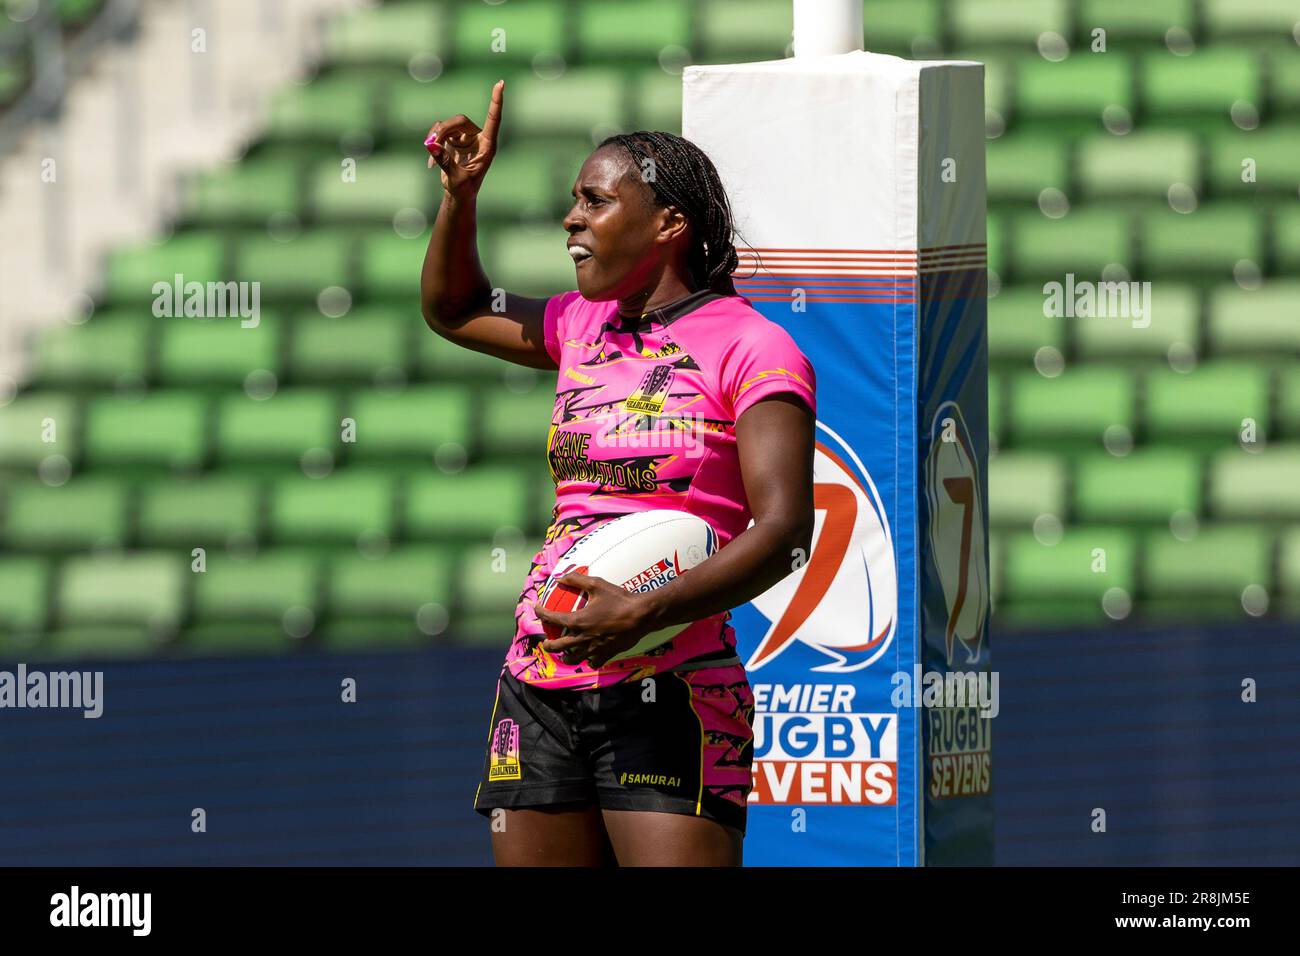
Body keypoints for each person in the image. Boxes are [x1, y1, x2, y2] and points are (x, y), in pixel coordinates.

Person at [420, 80, 817, 866]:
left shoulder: (752, 347)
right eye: (574, 201)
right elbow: (453, 308)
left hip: (673, 692)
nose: (572, 219)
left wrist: (643, 611)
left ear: (669, 223)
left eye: (595, 202)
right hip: (541, 680)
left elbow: (783, 534)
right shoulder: (580, 325)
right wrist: (462, 197)